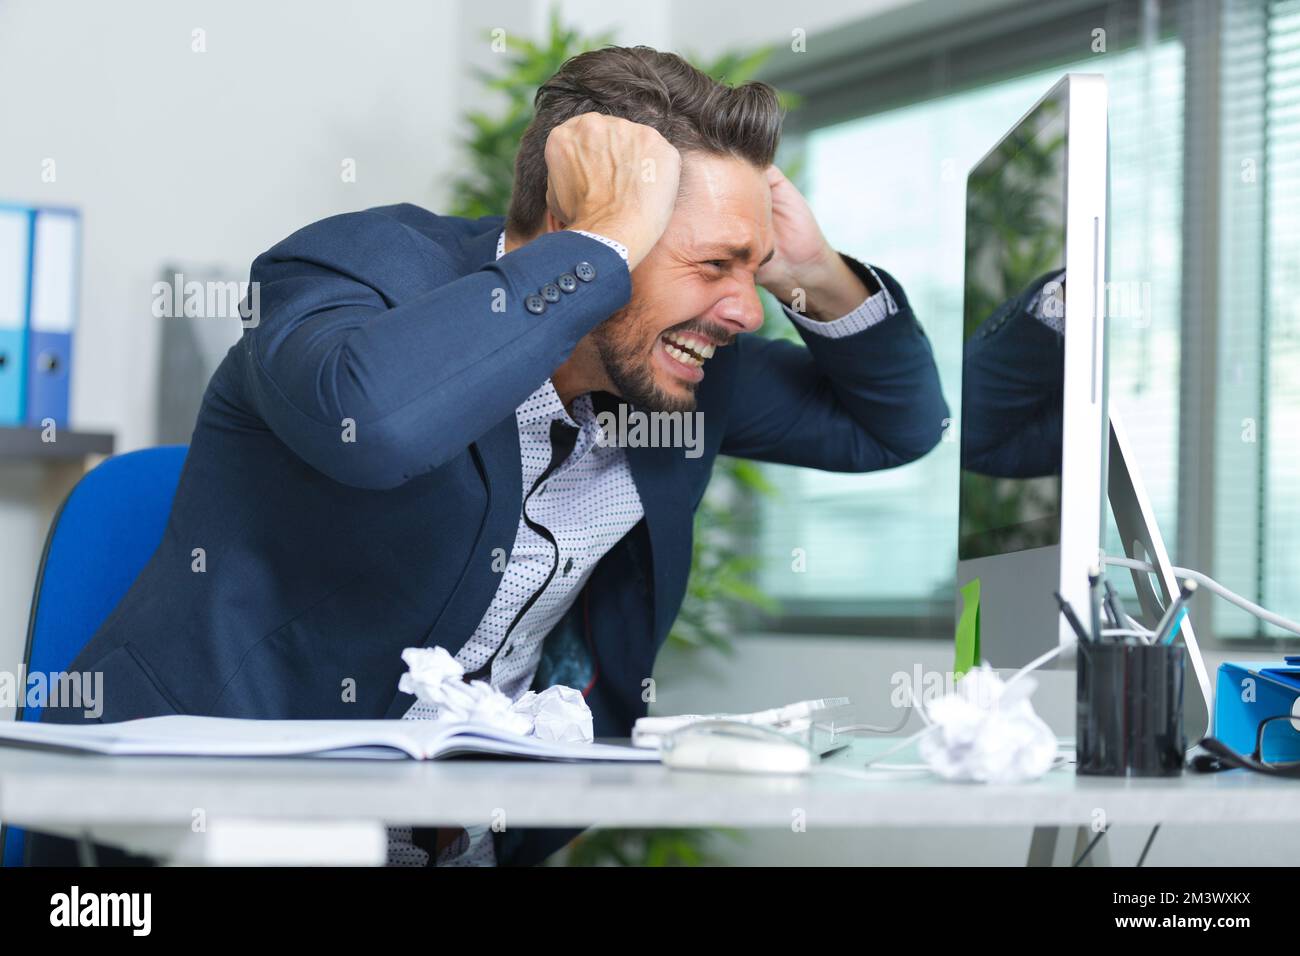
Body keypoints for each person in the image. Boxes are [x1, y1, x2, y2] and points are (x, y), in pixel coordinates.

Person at [30, 45, 947, 866]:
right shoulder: (361, 271)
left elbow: (894, 427)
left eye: (753, 270)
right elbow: (378, 424)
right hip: (199, 820)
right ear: (582, 224)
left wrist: (813, 273)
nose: (746, 311)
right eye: (713, 265)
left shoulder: (682, 368)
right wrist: (596, 250)